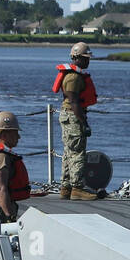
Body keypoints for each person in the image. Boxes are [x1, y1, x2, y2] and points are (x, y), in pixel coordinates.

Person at [53, 42, 99, 201]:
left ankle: (66, 187)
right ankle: (77, 188)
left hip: (69, 115)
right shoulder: (73, 77)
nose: (88, 61)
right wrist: (84, 123)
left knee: (68, 152)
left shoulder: (73, 75)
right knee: (77, 152)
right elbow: (74, 102)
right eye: (85, 58)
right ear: (76, 58)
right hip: (73, 116)